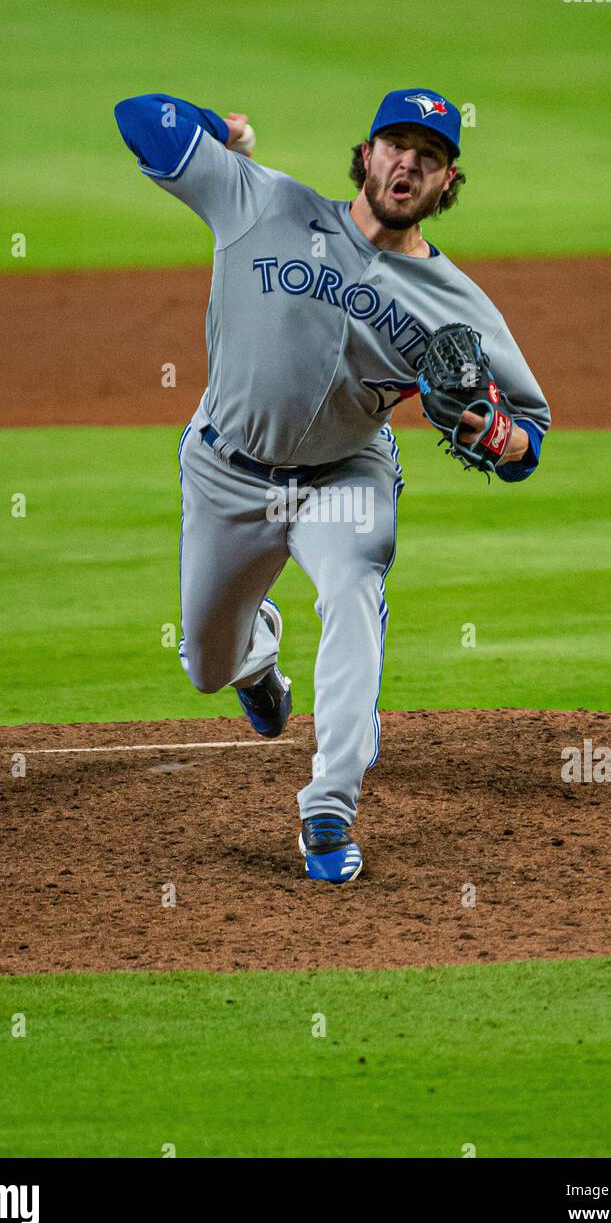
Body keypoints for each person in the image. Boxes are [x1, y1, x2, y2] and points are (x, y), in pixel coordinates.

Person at [114, 87, 550, 883]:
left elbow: (528, 438)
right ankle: (256, 657)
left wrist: (490, 430)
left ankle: (329, 806)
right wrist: (221, 128)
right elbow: (138, 117)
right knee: (204, 666)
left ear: (447, 183)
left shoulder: (457, 305)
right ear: (367, 153)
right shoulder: (262, 201)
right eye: (396, 146)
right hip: (224, 470)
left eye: (429, 156)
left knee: (352, 590)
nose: (407, 164)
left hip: (343, 477)